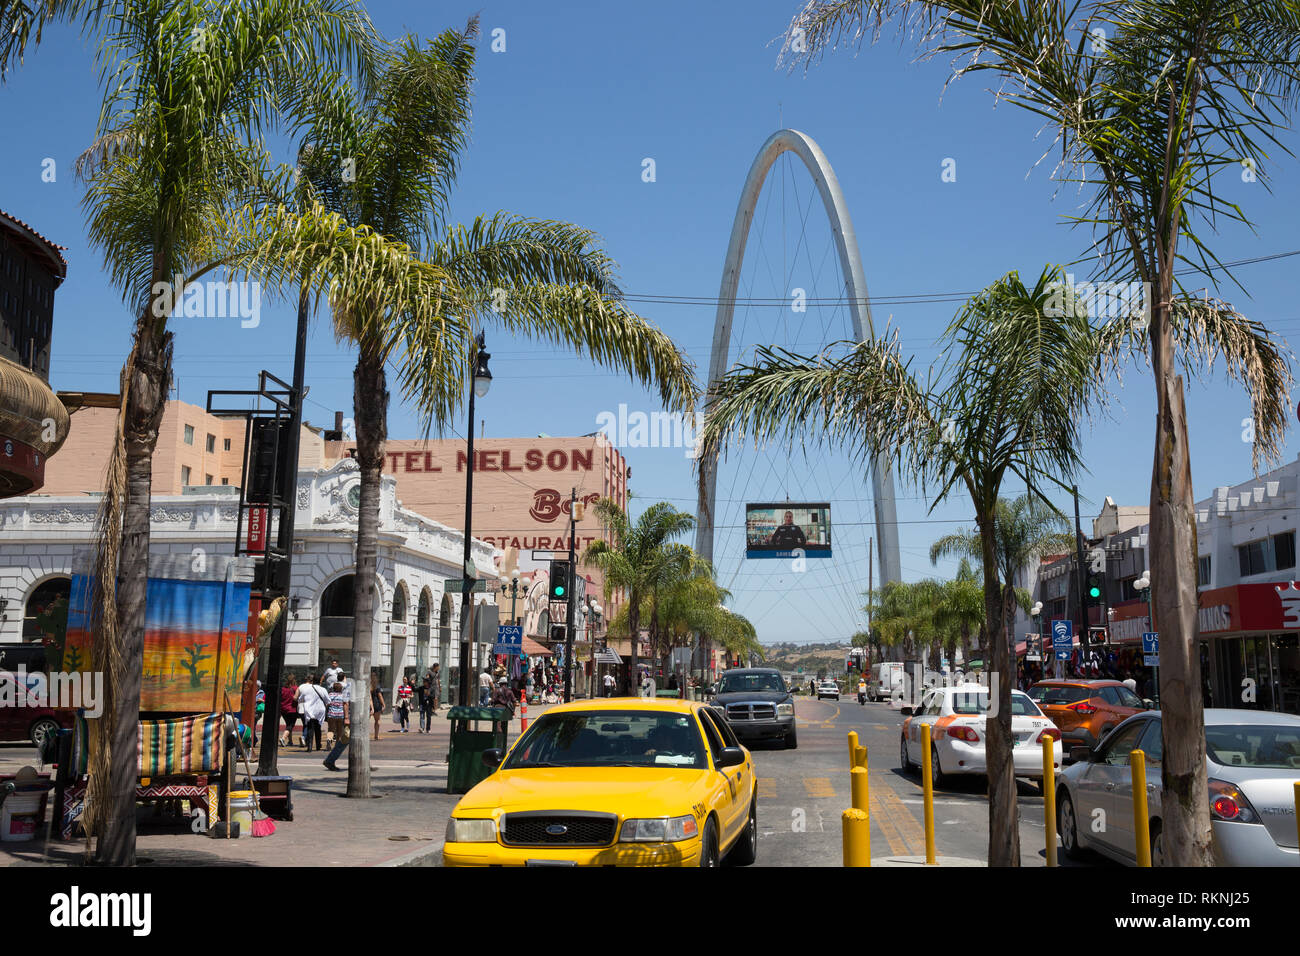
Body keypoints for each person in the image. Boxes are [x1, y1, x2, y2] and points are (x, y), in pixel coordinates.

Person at [297, 672, 327, 752]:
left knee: (310, 728)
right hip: (320, 711)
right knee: (318, 728)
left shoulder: (307, 689)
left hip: (309, 710)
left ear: (312, 681)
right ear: (320, 681)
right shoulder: (323, 689)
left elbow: (300, 699)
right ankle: (318, 745)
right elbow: (328, 701)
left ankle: (309, 746)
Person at [323, 681, 349, 770]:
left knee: (331, 730)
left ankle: (329, 743)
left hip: (331, 714)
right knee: (339, 732)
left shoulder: (330, 695)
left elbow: (327, 704)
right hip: (340, 715)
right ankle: (336, 744)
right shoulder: (343, 696)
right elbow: (346, 704)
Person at [279, 673, 299, 747]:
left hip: (283, 710)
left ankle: (290, 741)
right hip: (292, 709)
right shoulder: (296, 688)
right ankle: (283, 738)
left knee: (288, 725)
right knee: (291, 725)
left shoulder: (283, 689)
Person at [370, 673, 385, 740]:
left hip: (368, 705)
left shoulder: (367, 685)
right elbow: (380, 696)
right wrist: (383, 704)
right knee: (377, 721)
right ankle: (376, 735)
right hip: (376, 704)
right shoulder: (377, 686)